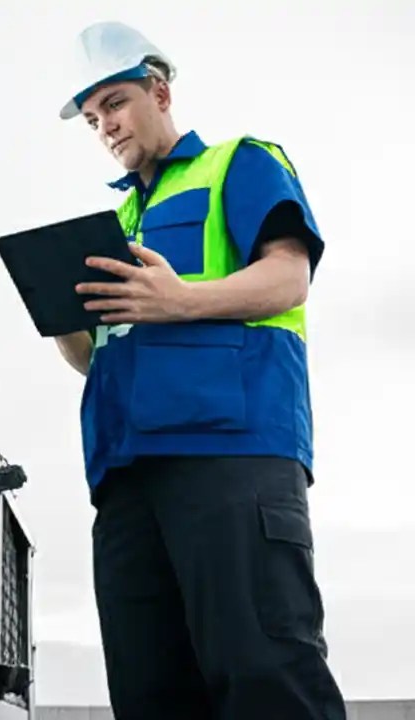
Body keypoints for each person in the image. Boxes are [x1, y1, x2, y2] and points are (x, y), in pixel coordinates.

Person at [53, 20, 346, 719]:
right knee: (150, 691)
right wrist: (65, 325)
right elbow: (95, 356)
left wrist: (181, 299)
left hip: (232, 453)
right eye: (93, 118)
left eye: (115, 103)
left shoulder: (239, 163)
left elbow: (287, 278)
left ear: (159, 90)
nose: (106, 126)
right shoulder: (118, 221)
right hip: (127, 475)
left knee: (265, 671)